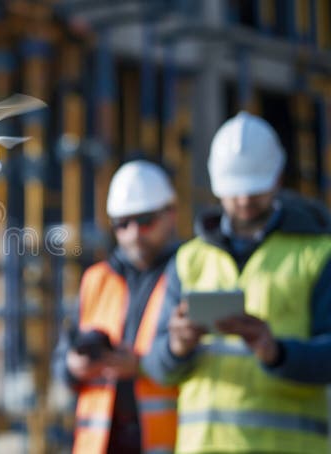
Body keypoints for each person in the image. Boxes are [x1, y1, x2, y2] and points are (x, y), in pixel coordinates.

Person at [143, 111, 331, 453]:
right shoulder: (189, 259)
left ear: (276, 179)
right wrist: (177, 348)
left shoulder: (318, 254)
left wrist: (277, 352)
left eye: (255, 190)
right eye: (235, 192)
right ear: (217, 186)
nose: (244, 201)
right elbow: (155, 365)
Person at [52, 160, 181, 454]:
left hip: (165, 442)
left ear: (171, 214)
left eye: (146, 220)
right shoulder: (96, 280)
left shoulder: (188, 272)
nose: (134, 233)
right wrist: (74, 367)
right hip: (101, 444)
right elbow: (61, 361)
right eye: (123, 224)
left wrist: (141, 366)